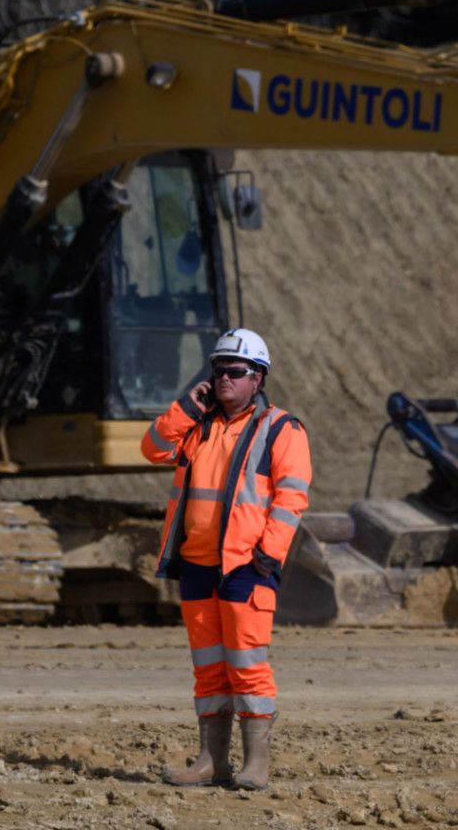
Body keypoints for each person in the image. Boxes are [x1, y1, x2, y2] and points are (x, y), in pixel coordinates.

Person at [142, 328, 310, 790]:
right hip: (197, 567)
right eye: (217, 370)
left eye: (234, 371)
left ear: (257, 378)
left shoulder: (282, 429)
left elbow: (291, 500)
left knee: (247, 666)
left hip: (245, 568)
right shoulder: (197, 425)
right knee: (209, 670)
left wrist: (266, 557)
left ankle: (256, 763)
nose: (223, 379)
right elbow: (153, 448)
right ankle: (211, 762)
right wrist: (185, 407)